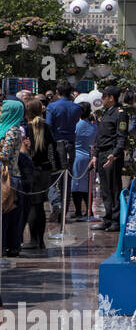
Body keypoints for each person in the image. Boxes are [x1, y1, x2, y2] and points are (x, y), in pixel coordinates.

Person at [92, 85, 128, 232]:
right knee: (105, 188)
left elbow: (121, 137)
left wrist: (115, 153)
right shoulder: (106, 113)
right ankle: (107, 218)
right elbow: (100, 136)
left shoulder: (120, 114)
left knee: (114, 188)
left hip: (111, 155)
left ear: (111, 98)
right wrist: (95, 155)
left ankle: (115, 219)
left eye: (104, 97)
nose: (102, 100)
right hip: (102, 154)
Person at [46, 80, 79, 223]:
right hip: (70, 144)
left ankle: (56, 204)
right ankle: (63, 212)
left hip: (55, 144)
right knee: (67, 179)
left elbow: (48, 126)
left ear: (58, 92)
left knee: (52, 177)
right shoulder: (76, 107)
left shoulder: (52, 107)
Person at [23, 102, 54, 251]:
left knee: (32, 206)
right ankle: (40, 241)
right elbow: (52, 148)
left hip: (32, 170)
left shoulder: (26, 129)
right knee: (40, 205)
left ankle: (34, 240)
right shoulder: (46, 127)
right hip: (46, 170)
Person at [0, 100, 27, 258]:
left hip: (9, 177)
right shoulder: (4, 129)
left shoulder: (13, 131)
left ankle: (9, 245)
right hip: (4, 176)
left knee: (9, 214)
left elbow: (5, 155)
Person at [69, 103, 95, 221]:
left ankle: (78, 210)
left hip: (77, 156)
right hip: (90, 156)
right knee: (88, 185)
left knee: (76, 184)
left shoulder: (76, 125)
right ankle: (89, 209)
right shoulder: (94, 126)